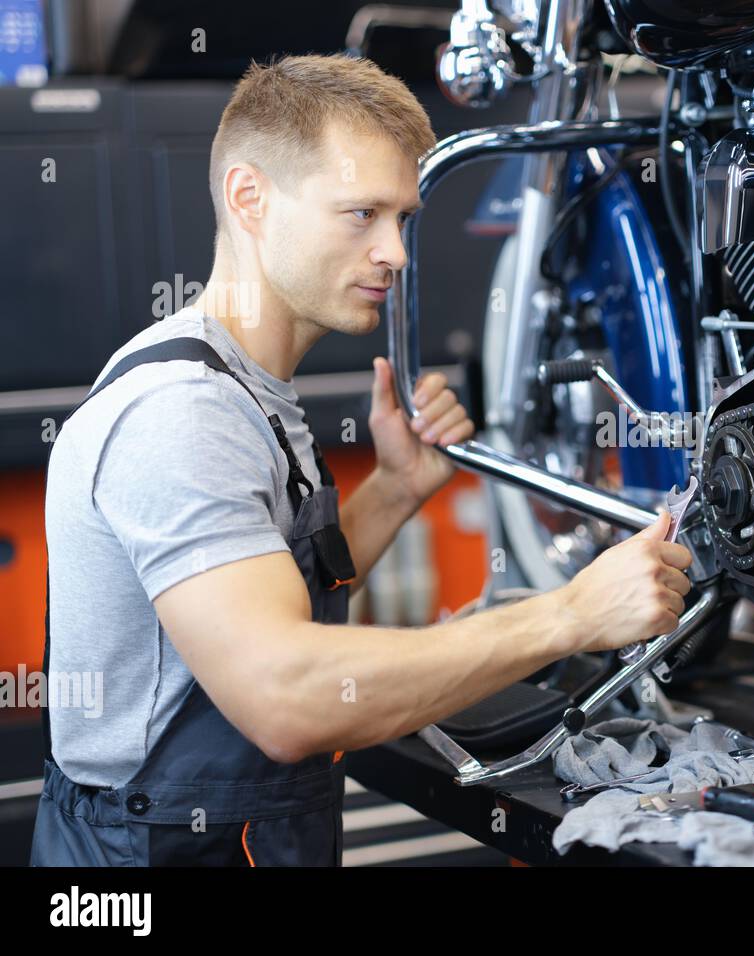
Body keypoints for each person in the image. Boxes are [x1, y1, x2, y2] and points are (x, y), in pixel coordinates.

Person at [31, 54, 691, 866]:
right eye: (362, 215)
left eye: (403, 219)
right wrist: (572, 614)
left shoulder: (247, 386)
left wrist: (394, 490)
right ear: (250, 199)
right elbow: (284, 695)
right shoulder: (182, 412)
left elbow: (269, 592)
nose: (397, 254)